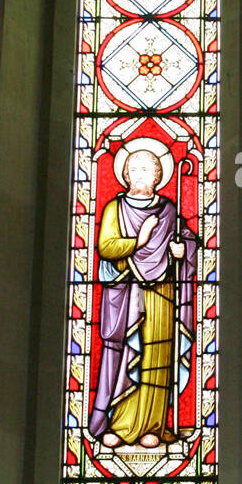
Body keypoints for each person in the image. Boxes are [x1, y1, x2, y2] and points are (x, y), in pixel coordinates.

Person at [88, 138, 196, 450]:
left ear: (157, 176)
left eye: (146, 169)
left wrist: (181, 251)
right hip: (127, 292)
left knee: (157, 356)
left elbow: (186, 241)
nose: (138, 174)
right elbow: (106, 246)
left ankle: (154, 425)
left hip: (162, 291)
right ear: (123, 174)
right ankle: (116, 423)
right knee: (124, 357)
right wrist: (140, 238)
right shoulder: (115, 208)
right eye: (133, 168)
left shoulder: (169, 209)